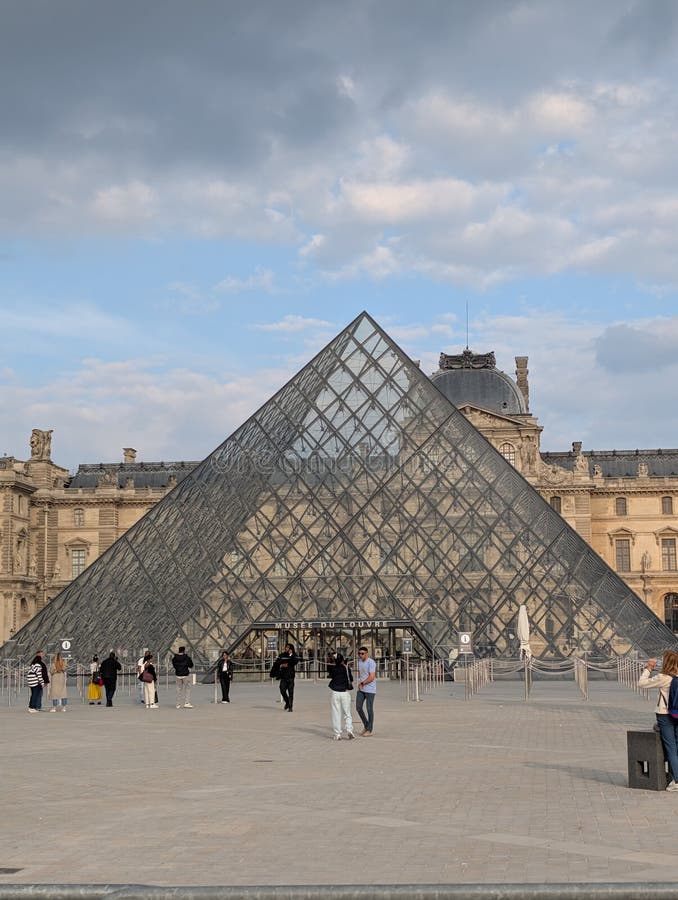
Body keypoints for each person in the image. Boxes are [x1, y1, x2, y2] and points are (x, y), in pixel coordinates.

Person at [638, 650, 678, 791]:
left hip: (665, 715)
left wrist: (649, 668)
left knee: (671, 747)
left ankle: (677, 781)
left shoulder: (663, 677)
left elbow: (641, 683)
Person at [327, 651, 355, 741]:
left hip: (335, 692)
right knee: (347, 713)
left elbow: (330, 675)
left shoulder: (333, 668)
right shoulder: (346, 668)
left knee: (336, 713)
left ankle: (337, 733)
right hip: (345, 692)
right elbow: (351, 679)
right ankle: (349, 730)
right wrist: (347, 668)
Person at [356, 645, 377, 736]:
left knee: (369, 709)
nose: (360, 655)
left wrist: (363, 683)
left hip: (370, 689)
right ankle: (366, 725)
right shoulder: (359, 662)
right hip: (361, 689)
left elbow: (372, 677)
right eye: (359, 653)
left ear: (366, 653)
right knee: (358, 707)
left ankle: (369, 729)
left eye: (362, 653)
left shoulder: (371, 662)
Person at [277, 643, 299, 712]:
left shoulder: (294, 655)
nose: (286, 648)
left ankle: (290, 707)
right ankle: (287, 702)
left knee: (291, 692)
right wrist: (281, 665)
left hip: (290, 677)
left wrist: (290, 655)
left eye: (288, 648)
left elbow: (295, 661)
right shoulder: (282, 655)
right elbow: (278, 662)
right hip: (283, 677)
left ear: (291, 649)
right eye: (286, 647)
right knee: (282, 690)